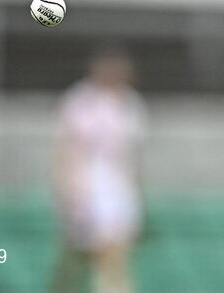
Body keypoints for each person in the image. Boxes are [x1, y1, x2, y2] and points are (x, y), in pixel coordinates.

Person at [52, 48, 147, 293]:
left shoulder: (129, 104)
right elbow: (68, 149)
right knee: (75, 264)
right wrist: (69, 192)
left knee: (114, 260)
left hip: (116, 190)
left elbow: (131, 156)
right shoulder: (80, 102)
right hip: (86, 188)